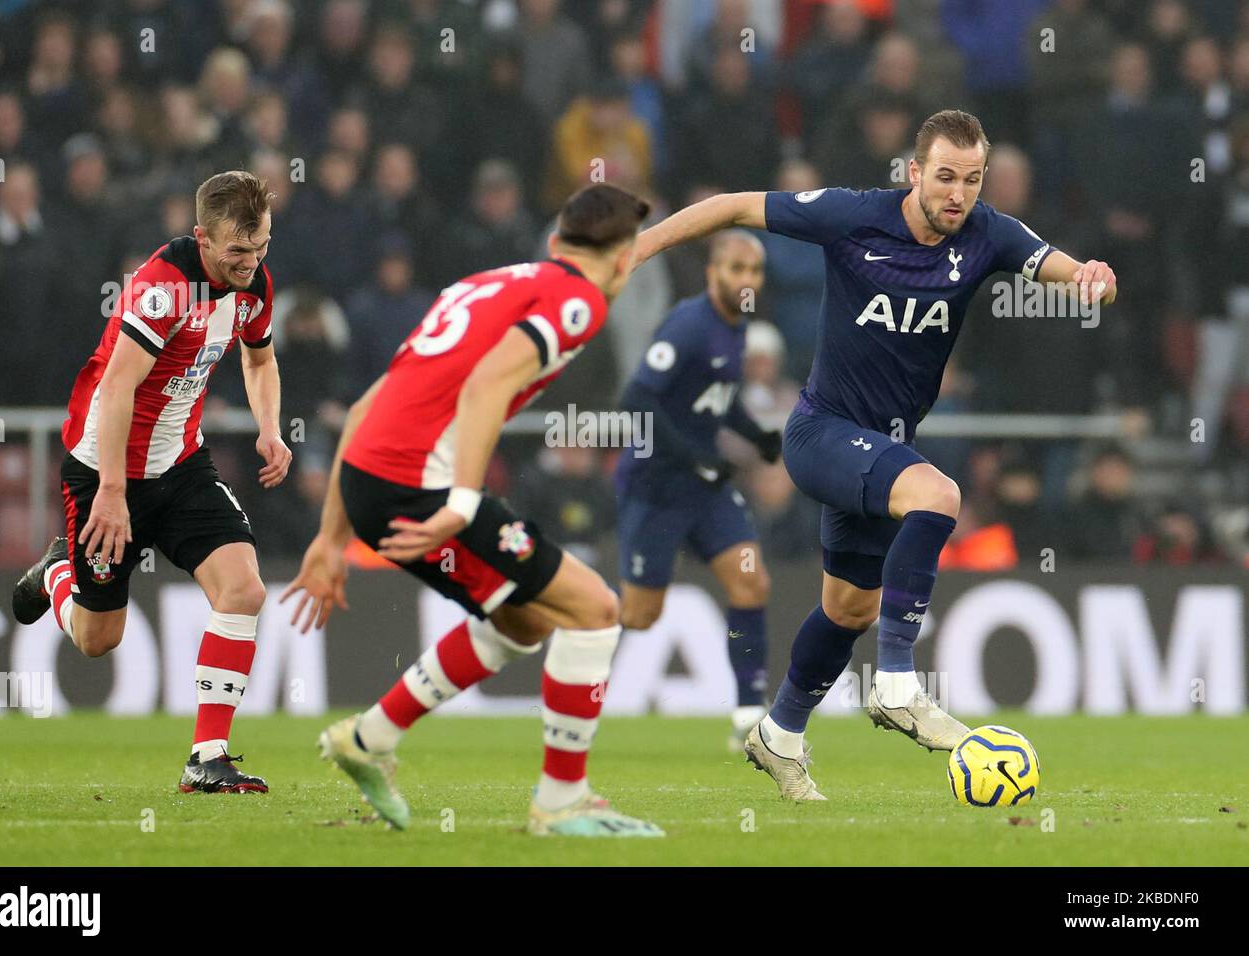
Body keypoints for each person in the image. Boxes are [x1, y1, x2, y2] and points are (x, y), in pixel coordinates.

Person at [632, 110, 1118, 800]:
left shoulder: (988, 234)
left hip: (881, 451)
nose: (958, 193)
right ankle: (896, 685)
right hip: (821, 433)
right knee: (939, 495)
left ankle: (780, 734)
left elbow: (1070, 271)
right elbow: (732, 206)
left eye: (972, 180)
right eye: (945, 176)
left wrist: (1093, 277)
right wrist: (638, 248)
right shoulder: (852, 216)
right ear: (915, 173)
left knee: (849, 610)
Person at [280, 183, 663, 838]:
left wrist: (331, 535)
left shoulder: (485, 285)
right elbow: (489, 385)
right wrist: (462, 500)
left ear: (554, 243)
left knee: (522, 621)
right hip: (422, 489)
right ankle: (561, 801)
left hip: (373, 482)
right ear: (624, 261)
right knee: (596, 610)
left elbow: (374, 401)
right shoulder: (579, 301)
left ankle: (367, 739)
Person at [10, 171, 292, 794]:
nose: (251, 263)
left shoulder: (254, 285)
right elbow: (116, 388)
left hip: (182, 468)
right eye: (237, 252)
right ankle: (55, 574)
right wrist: (111, 492)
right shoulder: (163, 288)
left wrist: (269, 429)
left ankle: (208, 757)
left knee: (243, 590)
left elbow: (260, 357)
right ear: (202, 237)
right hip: (104, 470)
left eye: (262, 247)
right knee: (96, 639)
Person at [615, 230, 781, 752]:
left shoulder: (736, 327)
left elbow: (718, 398)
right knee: (640, 616)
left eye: (753, 271)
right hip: (658, 486)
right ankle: (570, 674)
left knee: (751, 583)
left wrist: (754, 435)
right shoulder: (688, 324)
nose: (746, 281)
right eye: (736, 269)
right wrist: (694, 457)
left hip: (705, 487)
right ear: (713, 273)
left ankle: (748, 719)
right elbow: (636, 399)